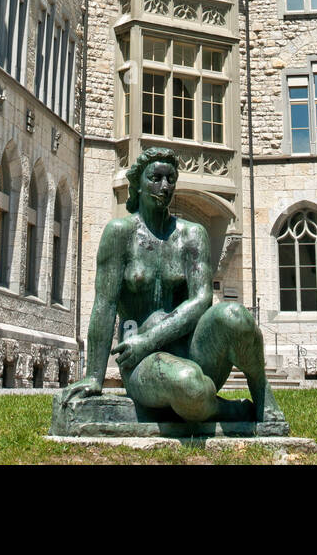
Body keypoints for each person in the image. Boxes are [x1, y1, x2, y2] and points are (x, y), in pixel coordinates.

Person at [62, 146, 285, 425]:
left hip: (191, 349)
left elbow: (202, 299)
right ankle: (230, 411)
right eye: (155, 178)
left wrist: (150, 339)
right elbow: (104, 306)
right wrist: (94, 376)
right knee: (190, 386)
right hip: (142, 361)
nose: (164, 186)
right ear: (138, 185)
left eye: (171, 179)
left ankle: (262, 391)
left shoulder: (192, 235)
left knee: (235, 315)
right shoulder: (119, 234)